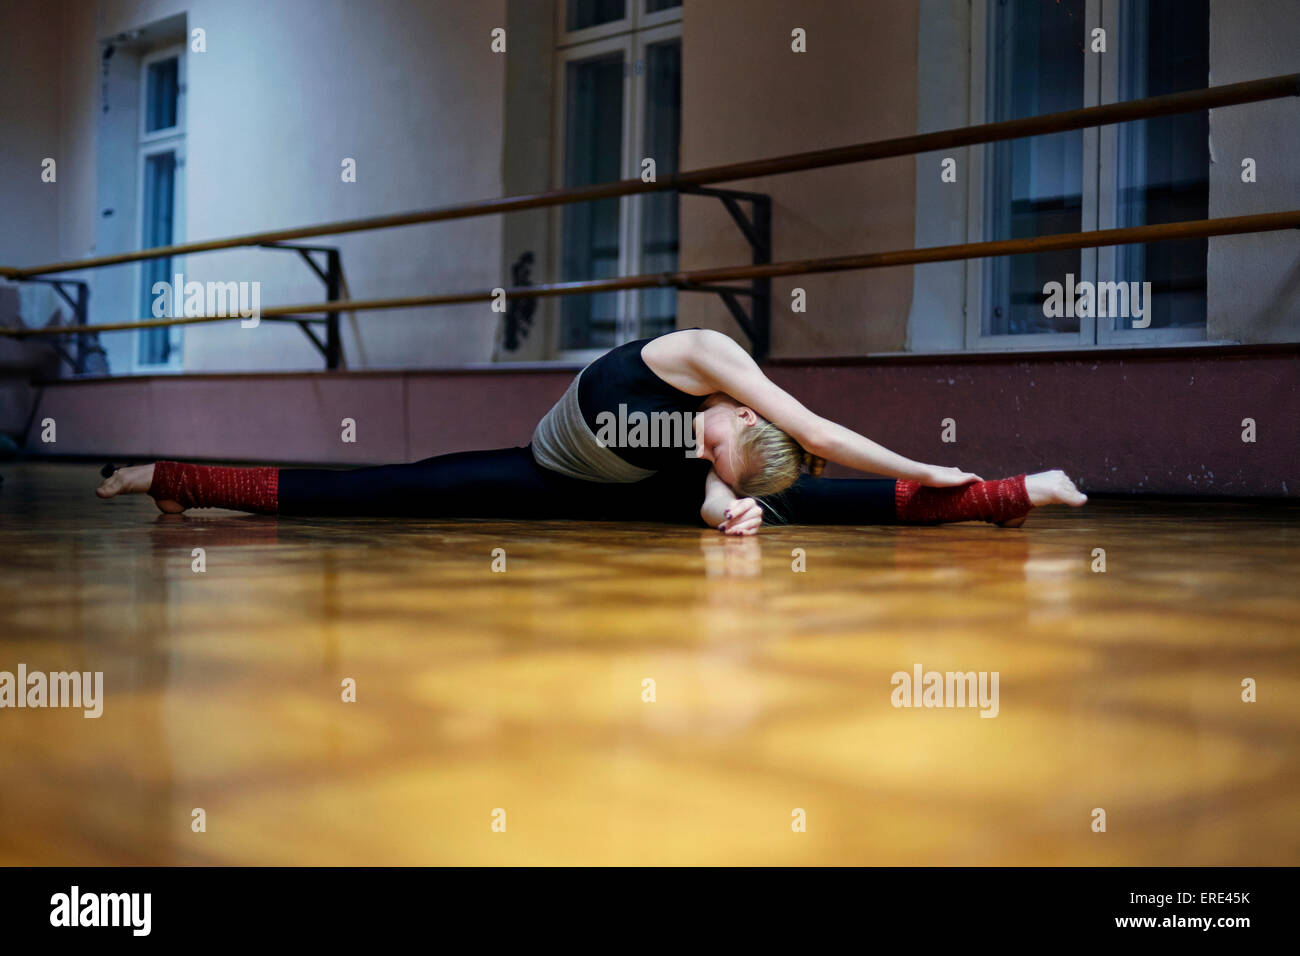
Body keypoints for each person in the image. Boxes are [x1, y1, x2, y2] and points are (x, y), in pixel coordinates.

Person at [96, 329, 1087, 533]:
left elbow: (710, 470)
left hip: (631, 483)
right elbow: (817, 424)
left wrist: (718, 508)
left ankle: (1007, 494)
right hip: (550, 468)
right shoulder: (710, 361)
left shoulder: (711, 443)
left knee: (810, 505)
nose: (713, 457)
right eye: (721, 446)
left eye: (718, 467)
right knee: (392, 486)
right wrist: (923, 456)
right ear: (735, 412)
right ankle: (173, 475)